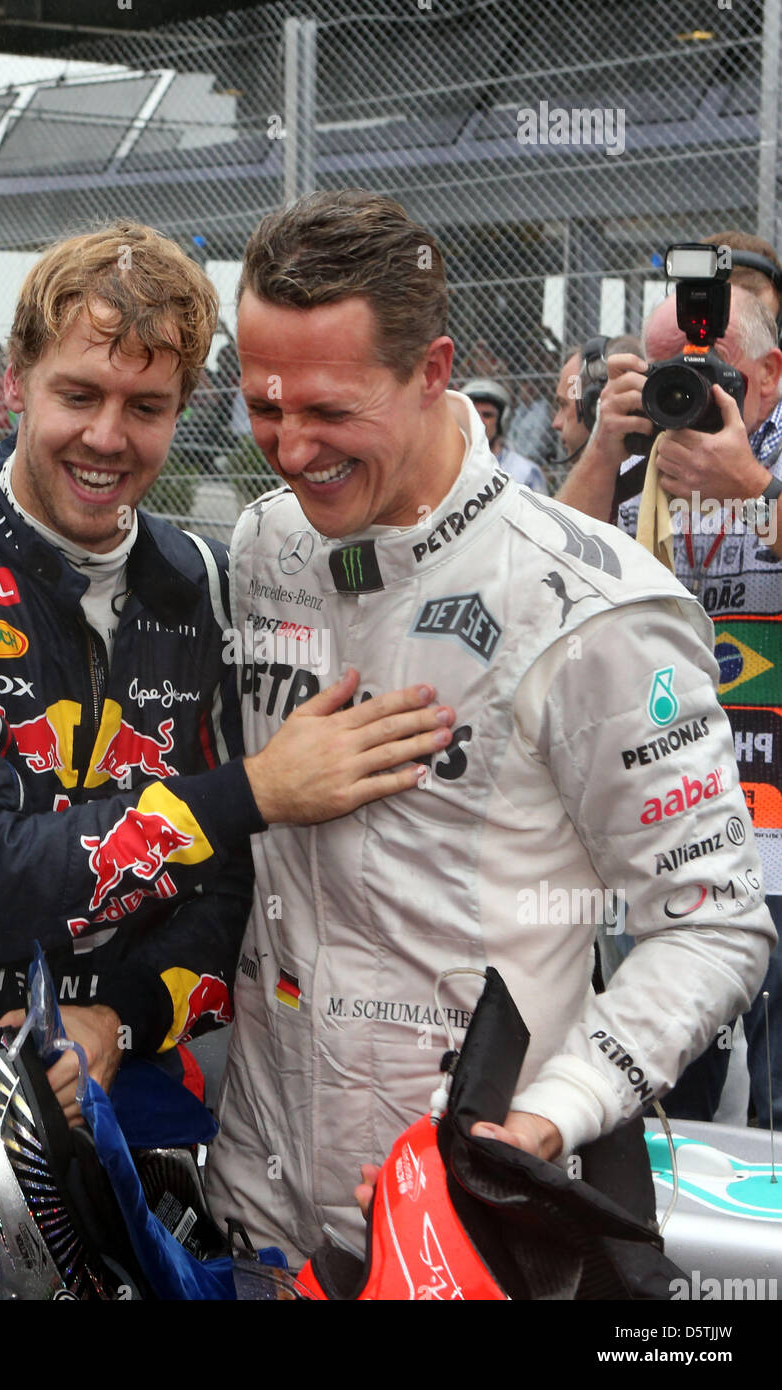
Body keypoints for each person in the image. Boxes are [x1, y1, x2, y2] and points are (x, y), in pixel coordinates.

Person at [202, 189, 774, 1267]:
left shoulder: (588, 603)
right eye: (263, 405)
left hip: (463, 1229)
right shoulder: (264, 546)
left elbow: (712, 924)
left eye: (328, 410)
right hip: (261, 1212)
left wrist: (543, 1119)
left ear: (430, 369)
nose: (289, 446)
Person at [0, 222, 451, 1129]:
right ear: (12, 383)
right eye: (79, 394)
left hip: (135, 1095)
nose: (107, 437)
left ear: (183, 409)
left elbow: (234, 889)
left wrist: (119, 1018)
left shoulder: (207, 584)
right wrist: (254, 790)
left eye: (146, 406)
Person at [559, 281, 782, 1128]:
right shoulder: (635, 458)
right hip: (657, 827)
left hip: (773, 820)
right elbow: (554, 568)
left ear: (769, 373)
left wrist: (753, 484)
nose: (685, 390)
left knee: (774, 1101)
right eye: (664, 370)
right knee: (650, 1086)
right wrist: (605, 440)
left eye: (707, 370)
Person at [462, 378, 548, 492]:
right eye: (474, 414)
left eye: (487, 415)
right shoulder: (448, 469)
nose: (479, 421)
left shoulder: (525, 472)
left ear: (502, 422)